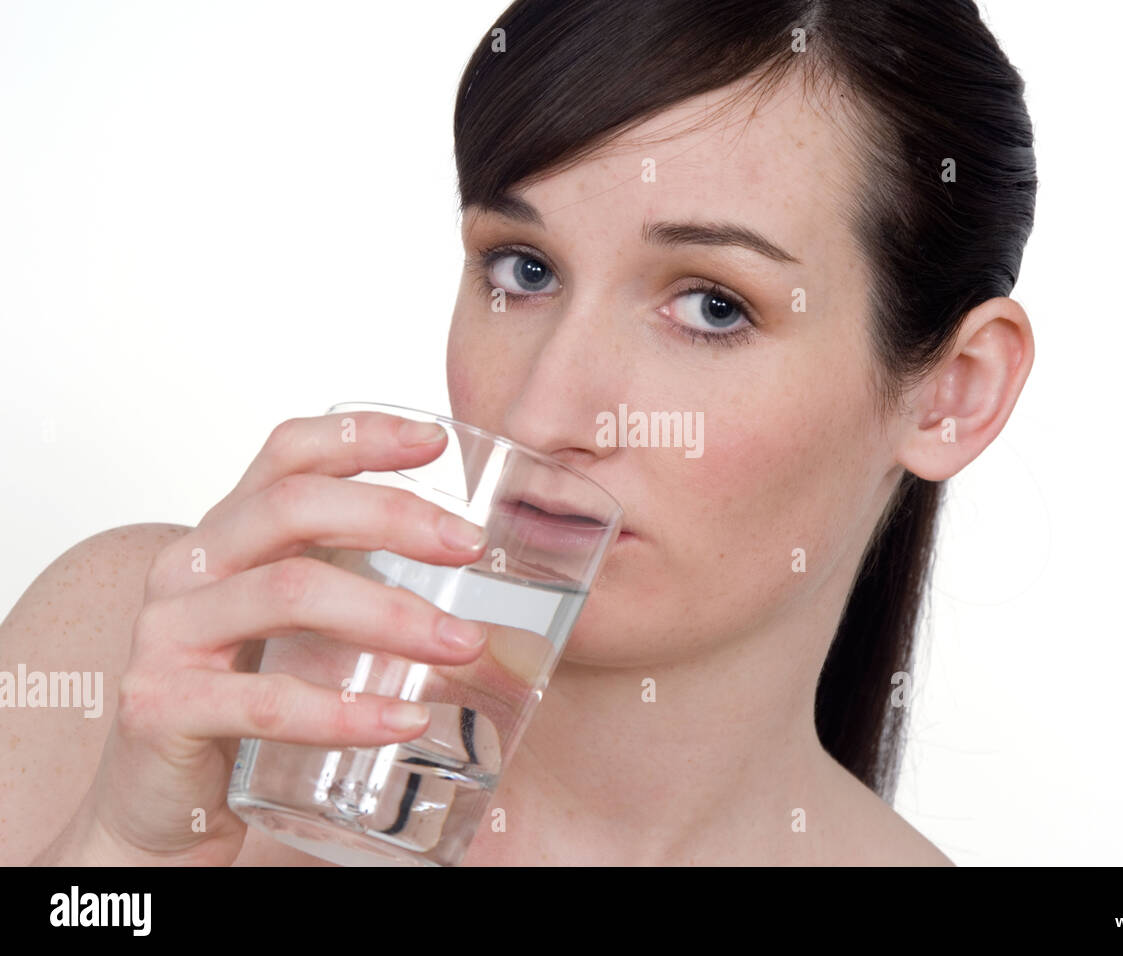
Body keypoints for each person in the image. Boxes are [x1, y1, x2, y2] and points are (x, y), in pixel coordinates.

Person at [1, 0, 1036, 866]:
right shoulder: (159, 669)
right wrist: (124, 854)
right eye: (523, 270)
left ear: (954, 391)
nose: (541, 412)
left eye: (713, 304)